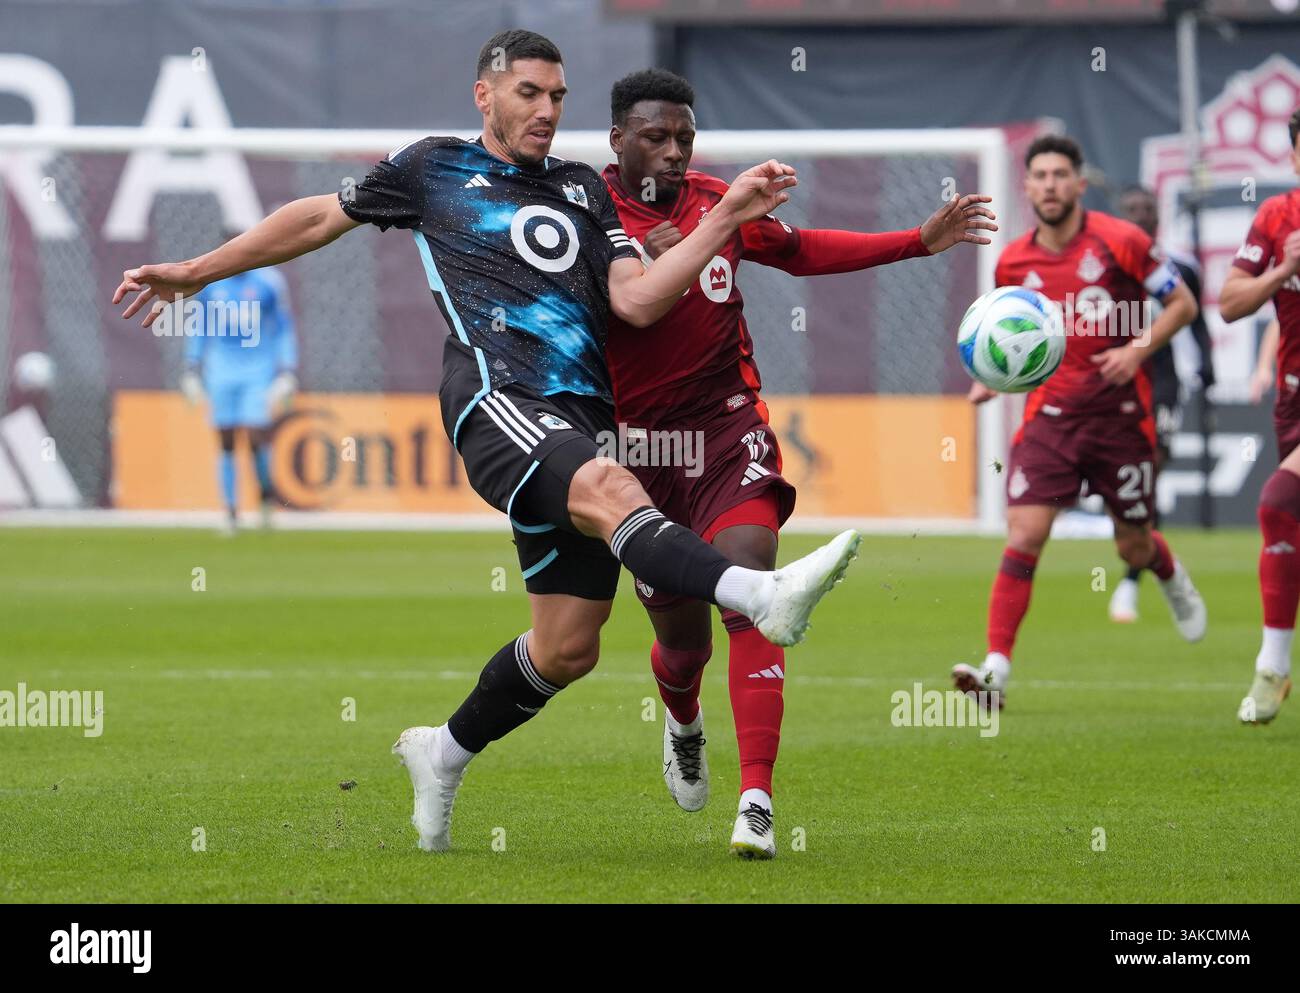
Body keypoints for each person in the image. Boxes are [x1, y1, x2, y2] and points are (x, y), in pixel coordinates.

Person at [112, 29, 863, 852]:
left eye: (558, 97)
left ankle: (444, 750)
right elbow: (317, 218)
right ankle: (759, 596)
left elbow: (641, 301)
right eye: (529, 93)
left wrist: (722, 216)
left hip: (577, 423)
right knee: (622, 495)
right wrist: (195, 271)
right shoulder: (431, 168)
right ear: (486, 95)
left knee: (569, 646)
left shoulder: (584, 188)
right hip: (498, 402)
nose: (546, 110)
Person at [601, 68, 996, 857]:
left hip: (724, 429)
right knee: (682, 644)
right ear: (618, 139)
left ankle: (756, 799)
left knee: (755, 584)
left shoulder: (722, 200)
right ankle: (683, 721)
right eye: (657, 136)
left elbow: (804, 250)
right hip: (637, 451)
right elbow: (588, 304)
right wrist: (643, 258)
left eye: (684, 135)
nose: (675, 151)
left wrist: (919, 240)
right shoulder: (584, 212)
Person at [952, 135, 1206, 709]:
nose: (1049, 184)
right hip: (1051, 421)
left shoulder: (1122, 241)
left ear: (1079, 184)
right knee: (1026, 534)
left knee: (1133, 547)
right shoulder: (1013, 260)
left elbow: (1184, 305)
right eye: (1039, 174)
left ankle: (1169, 574)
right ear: (1027, 186)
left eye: (1060, 174)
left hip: (1120, 421)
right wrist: (990, 378)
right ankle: (996, 670)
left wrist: (1137, 351)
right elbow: (1009, 340)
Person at [1218, 106, 1300, 725]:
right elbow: (1228, 304)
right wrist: (1286, 268)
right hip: (1293, 402)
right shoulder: (1277, 218)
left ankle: (1272, 667)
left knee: (1277, 503)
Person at [1107, 186, 1216, 621]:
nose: (1140, 217)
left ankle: (1130, 583)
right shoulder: (1104, 264)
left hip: (1163, 384)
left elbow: (1198, 324)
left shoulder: (1181, 268)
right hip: (1113, 382)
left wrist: (1208, 368)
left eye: (1147, 210)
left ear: (1158, 218)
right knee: (1121, 483)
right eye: (1131, 210)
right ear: (1119, 216)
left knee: (1149, 470)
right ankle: (1146, 560)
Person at [181, 261, 298, 534]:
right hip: (220, 371)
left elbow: (283, 328)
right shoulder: (211, 285)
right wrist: (191, 367)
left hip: (258, 371)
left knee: (256, 436)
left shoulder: (269, 282)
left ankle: (265, 495)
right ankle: (231, 512)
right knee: (226, 440)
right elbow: (200, 328)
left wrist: (288, 370)